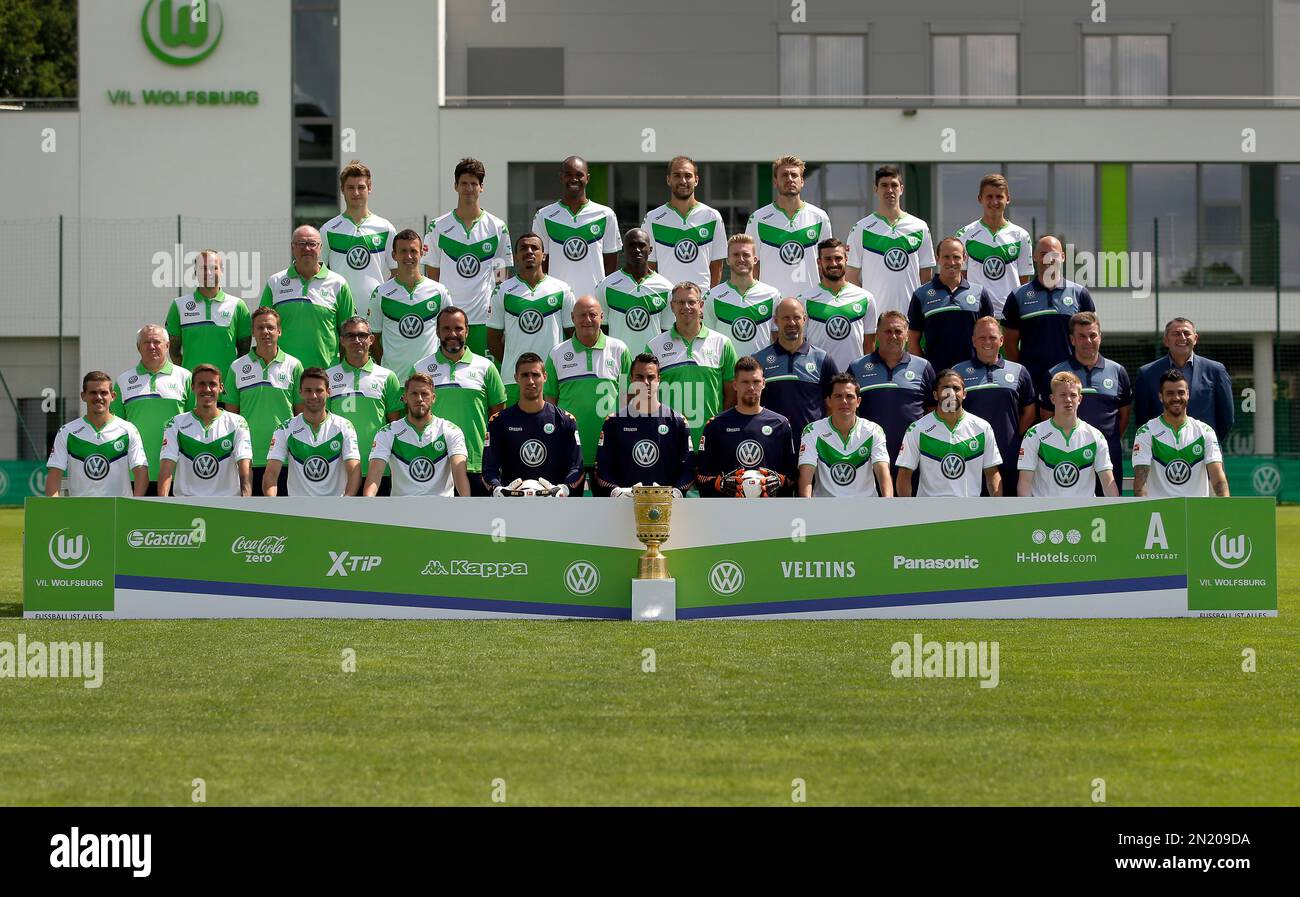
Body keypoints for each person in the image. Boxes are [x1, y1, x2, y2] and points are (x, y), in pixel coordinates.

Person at [422, 157, 513, 360]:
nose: (468, 188)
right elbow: (432, 277)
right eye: (464, 183)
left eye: (474, 183)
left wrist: (500, 315)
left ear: (482, 187)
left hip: (484, 319)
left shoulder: (497, 227)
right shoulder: (438, 226)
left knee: (483, 377)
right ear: (455, 186)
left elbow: (502, 279)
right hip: (448, 320)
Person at [412, 306, 507, 494]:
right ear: (437, 332)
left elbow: (497, 417)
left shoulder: (486, 367)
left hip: (476, 463)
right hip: (433, 463)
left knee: (476, 523)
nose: (452, 334)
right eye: (446, 329)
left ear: (467, 331)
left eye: (458, 328)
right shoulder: (421, 368)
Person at [544, 296, 632, 493]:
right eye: (582, 315)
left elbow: (630, 398)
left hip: (610, 448)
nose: (587, 320)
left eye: (593, 314)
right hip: (570, 448)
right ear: (572, 318)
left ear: (602, 316)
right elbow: (550, 402)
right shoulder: (557, 353)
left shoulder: (619, 349)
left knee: (610, 512)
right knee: (569, 514)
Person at [1039, 312, 1131, 495]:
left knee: (1110, 512)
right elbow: (1046, 416)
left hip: (1108, 457)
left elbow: (1124, 416)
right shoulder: (1055, 374)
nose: (1088, 341)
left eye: (1093, 335)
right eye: (1082, 336)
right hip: (1066, 459)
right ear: (1072, 340)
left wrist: (1103, 441)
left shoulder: (1118, 371)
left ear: (1100, 337)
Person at [847, 310, 936, 482]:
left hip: (914, 457)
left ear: (907, 335)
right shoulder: (857, 367)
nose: (893, 336)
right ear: (878, 334)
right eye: (887, 331)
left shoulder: (923, 367)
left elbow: (933, 411)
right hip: (868, 455)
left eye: (898, 331)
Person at [222, 307, 303, 496]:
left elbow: (300, 416)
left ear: (279, 331)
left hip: (284, 458)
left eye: (270, 327)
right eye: (260, 327)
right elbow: (231, 418)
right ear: (252, 331)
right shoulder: (237, 367)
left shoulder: (294, 365)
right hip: (247, 458)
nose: (265, 332)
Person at [488, 232, 575, 405]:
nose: (529, 251)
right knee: (515, 430)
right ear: (516, 257)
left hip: (550, 378)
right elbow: (493, 340)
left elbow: (572, 335)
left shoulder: (561, 289)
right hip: (514, 380)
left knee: (550, 429)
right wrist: (515, 364)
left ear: (543, 255)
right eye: (523, 248)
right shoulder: (502, 291)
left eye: (534, 248)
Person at [955, 316, 1037, 497]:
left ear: (1001, 340)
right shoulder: (957, 372)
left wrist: (1013, 438)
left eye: (992, 337)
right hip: (969, 457)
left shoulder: (1019, 371)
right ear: (973, 341)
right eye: (982, 337)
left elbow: (1030, 412)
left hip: (1009, 457)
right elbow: (951, 415)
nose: (987, 342)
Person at [481, 353, 584, 497]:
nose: (530, 381)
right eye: (524, 375)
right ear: (516, 378)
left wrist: (563, 489)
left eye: (535, 375)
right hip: (512, 502)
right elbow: (489, 469)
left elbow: (577, 467)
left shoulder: (565, 421)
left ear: (545, 377)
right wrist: (497, 489)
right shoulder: (499, 422)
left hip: (555, 503)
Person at [648, 282, 738, 445]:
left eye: (691, 302)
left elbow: (732, 395)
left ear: (701, 305)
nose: (686, 307)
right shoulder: (654, 346)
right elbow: (647, 396)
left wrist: (718, 426)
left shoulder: (722, 343)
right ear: (672, 306)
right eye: (680, 302)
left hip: (710, 440)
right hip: (669, 440)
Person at [1002, 236, 1095, 391]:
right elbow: (1010, 343)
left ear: (1063, 257)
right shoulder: (1018, 296)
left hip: (1070, 380)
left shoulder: (1080, 294)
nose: (1049, 258)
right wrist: (1024, 372)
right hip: (1033, 380)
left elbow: (1090, 337)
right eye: (1043, 253)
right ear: (1035, 257)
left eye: (1053, 254)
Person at [595, 353, 695, 496]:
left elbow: (689, 469)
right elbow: (602, 469)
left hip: (667, 507)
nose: (646, 383)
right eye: (640, 377)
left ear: (659, 380)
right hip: (623, 507)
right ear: (631, 380)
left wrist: (676, 492)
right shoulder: (613, 422)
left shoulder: (677, 421)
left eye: (651, 377)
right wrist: (616, 492)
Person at [110, 323, 194, 494]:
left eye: (157, 342)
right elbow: (115, 429)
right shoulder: (124, 381)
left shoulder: (185, 377)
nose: (152, 347)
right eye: (147, 343)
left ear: (168, 346)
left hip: (177, 473)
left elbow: (195, 423)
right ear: (138, 348)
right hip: (135, 474)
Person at [696, 356, 796, 498]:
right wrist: (721, 483)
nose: (751, 387)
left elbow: (793, 475)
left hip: (771, 511)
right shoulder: (716, 425)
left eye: (756, 382)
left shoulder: (781, 424)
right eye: (745, 382)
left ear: (763, 383)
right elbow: (701, 475)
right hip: (728, 512)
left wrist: (780, 480)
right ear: (735, 385)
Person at [259, 225, 355, 370]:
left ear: (321, 247)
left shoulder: (338, 284)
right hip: (282, 373)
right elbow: (262, 327)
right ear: (292, 247)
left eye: (312, 244)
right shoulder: (275, 282)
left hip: (324, 374)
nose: (307, 248)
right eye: (301, 244)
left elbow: (348, 333)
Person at [845, 165, 935, 317]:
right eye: (884, 185)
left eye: (894, 185)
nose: (889, 190)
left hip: (910, 316)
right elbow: (851, 276)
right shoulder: (861, 228)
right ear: (876, 189)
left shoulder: (919, 227)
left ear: (902, 188)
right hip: (874, 319)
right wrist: (867, 306)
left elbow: (925, 275)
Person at [896, 369, 1002, 497]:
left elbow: (992, 473)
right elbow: (905, 473)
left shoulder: (982, 428)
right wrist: (906, 509)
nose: (951, 393)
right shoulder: (917, 429)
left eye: (956, 388)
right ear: (935, 395)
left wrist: (997, 506)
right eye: (945, 388)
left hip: (970, 512)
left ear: (964, 394)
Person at [364, 372, 470, 497]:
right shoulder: (387, 432)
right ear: (405, 398)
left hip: (442, 509)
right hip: (402, 510)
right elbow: (374, 477)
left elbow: (460, 474)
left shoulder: (450, 430)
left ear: (433, 398)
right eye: (414, 394)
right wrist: (368, 505)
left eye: (424, 394)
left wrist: (465, 506)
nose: (419, 398)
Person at [326, 316, 403, 485]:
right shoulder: (328, 376)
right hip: (338, 469)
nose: (357, 340)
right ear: (342, 341)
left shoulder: (387, 377)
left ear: (371, 339)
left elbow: (395, 426)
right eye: (350, 336)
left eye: (362, 335)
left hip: (378, 469)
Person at [753, 298, 838, 450]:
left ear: (804, 319)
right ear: (776, 321)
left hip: (812, 447)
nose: (791, 323)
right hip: (771, 444)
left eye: (796, 317)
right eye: (786, 318)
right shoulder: (759, 360)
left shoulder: (822, 359)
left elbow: (833, 404)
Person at [45, 371, 148, 497]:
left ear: (113, 396)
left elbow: (141, 470)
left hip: (117, 511)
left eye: (103, 393)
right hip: (79, 511)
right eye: (93, 393)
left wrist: (133, 505)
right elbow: (54, 474)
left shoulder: (128, 430)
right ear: (83, 396)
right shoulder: (67, 431)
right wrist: (54, 509)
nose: (98, 397)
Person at [531, 155, 620, 301]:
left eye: (579, 175)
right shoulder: (544, 216)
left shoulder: (606, 214)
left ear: (588, 178)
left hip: (593, 301)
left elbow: (610, 262)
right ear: (561, 177)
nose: (574, 179)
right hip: (557, 300)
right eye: (569, 175)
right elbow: (542, 262)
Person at [1134, 318, 1234, 444]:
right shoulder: (1147, 374)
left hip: (1205, 453)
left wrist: (1210, 444)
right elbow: (1142, 419)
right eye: (1176, 334)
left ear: (1196, 338)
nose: (1182, 337)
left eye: (1186, 333)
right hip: (1162, 454)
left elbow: (1226, 418)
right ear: (1166, 340)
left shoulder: (1216, 370)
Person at [263, 367, 361, 496]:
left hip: (336, 510)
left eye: (319, 390)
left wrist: (345, 504)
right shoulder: (285, 428)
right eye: (308, 391)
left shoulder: (344, 426)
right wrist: (272, 506)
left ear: (328, 392)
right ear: (300, 392)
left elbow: (354, 471)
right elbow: (271, 474)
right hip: (298, 510)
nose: (313, 395)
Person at [1018, 372, 1118, 498]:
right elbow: (1024, 483)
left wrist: (1116, 515)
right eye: (1063, 395)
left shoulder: (1095, 436)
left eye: (1073, 395)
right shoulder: (1034, 434)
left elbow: (1108, 483)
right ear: (1052, 399)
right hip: (1045, 513)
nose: (1068, 400)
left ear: (1080, 399)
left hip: (1084, 513)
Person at [158, 364, 252, 497]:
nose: (207, 389)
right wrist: (163, 505)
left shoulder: (237, 422)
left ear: (221, 388)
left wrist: (246, 504)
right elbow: (166, 469)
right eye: (201, 384)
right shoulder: (175, 423)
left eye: (212, 384)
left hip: (228, 504)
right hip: (186, 504)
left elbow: (245, 469)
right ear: (193, 387)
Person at [744, 155, 831, 300]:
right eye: (784, 175)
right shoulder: (758, 218)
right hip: (770, 303)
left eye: (794, 175)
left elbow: (826, 263)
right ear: (775, 182)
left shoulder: (819, 217)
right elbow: (752, 265)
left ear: (802, 181)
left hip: (810, 302)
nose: (790, 179)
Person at [369, 228, 450, 381]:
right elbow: (374, 341)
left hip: (430, 381)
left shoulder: (439, 291)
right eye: (403, 251)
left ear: (422, 253)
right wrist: (387, 368)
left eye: (413, 251)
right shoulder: (380, 293)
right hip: (394, 382)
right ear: (394, 255)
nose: (409, 256)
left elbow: (447, 335)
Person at [1133, 370, 1229, 497]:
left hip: (1196, 512)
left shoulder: (1205, 431)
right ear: (1160, 396)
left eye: (1181, 392)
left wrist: (1227, 511)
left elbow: (1217, 476)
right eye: (1170, 393)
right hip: (1159, 513)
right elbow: (1140, 483)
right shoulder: (1146, 432)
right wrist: (1145, 513)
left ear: (1188, 394)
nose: (1176, 398)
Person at [906, 237, 995, 373]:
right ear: (938, 258)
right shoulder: (921, 294)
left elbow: (989, 336)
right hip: (937, 375)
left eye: (956, 257)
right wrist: (925, 372)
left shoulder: (980, 293)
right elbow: (912, 340)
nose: (951, 262)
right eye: (946, 257)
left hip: (974, 375)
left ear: (964, 258)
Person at [321, 160, 396, 320]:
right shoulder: (328, 229)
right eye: (350, 187)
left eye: (361, 187)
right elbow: (319, 273)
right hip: (338, 310)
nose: (356, 192)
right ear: (342, 190)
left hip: (376, 312)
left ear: (369, 188)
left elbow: (396, 272)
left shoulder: (385, 228)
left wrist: (382, 296)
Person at [797, 373, 892, 497]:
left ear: (858, 401)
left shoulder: (873, 430)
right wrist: (807, 512)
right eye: (838, 396)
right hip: (825, 510)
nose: (844, 401)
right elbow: (806, 475)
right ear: (828, 401)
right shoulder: (812, 430)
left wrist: (889, 508)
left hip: (866, 508)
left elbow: (883, 472)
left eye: (850, 396)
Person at [954, 172, 1033, 317]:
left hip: (1010, 316)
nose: (994, 201)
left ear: (1008, 199)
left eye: (999, 196)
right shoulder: (964, 234)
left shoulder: (1021, 235)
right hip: (976, 313)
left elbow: (1024, 282)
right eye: (989, 197)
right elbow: (961, 278)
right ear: (980, 199)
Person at [643, 156, 727, 290]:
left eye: (688, 176)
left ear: (696, 180)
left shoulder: (712, 216)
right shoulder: (653, 218)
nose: (683, 181)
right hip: (667, 302)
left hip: (700, 303)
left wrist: (707, 299)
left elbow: (717, 265)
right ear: (668, 180)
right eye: (677, 175)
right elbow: (649, 267)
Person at [165, 249, 251, 375]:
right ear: (195, 272)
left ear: (221, 271)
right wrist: (189, 376)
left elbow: (244, 353)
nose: (208, 272)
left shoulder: (238, 306)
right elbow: (174, 351)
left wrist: (232, 378)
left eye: (213, 268)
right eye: (203, 268)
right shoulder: (179, 305)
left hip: (226, 388)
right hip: (192, 388)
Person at [801, 238, 877, 372]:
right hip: (818, 376)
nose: (833, 263)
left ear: (846, 259)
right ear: (819, 262)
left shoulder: (866, 298)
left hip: (854, 378)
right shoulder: (805, 300)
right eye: (828, 259)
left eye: (838, 258)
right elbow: (801, 346)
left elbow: (869, 345)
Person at [703, 234, 782, 357]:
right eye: (735, 255)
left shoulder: (772, 295)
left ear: (755, 259)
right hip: (727, 373)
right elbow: (707, 340)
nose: (741, 259)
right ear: (728, 260)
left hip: (761, 372)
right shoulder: (712, 296)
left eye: (746, 255)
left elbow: (778, 339)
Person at [595, 227, 675, 348]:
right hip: (618, 362)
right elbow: (602, 331)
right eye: (631, 245)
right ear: (623, 249)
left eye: (642, 245)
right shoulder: (606, 286)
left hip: (651, 363)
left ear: (650, 250)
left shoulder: (666, 288)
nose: (637, 250)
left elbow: (667, 333)